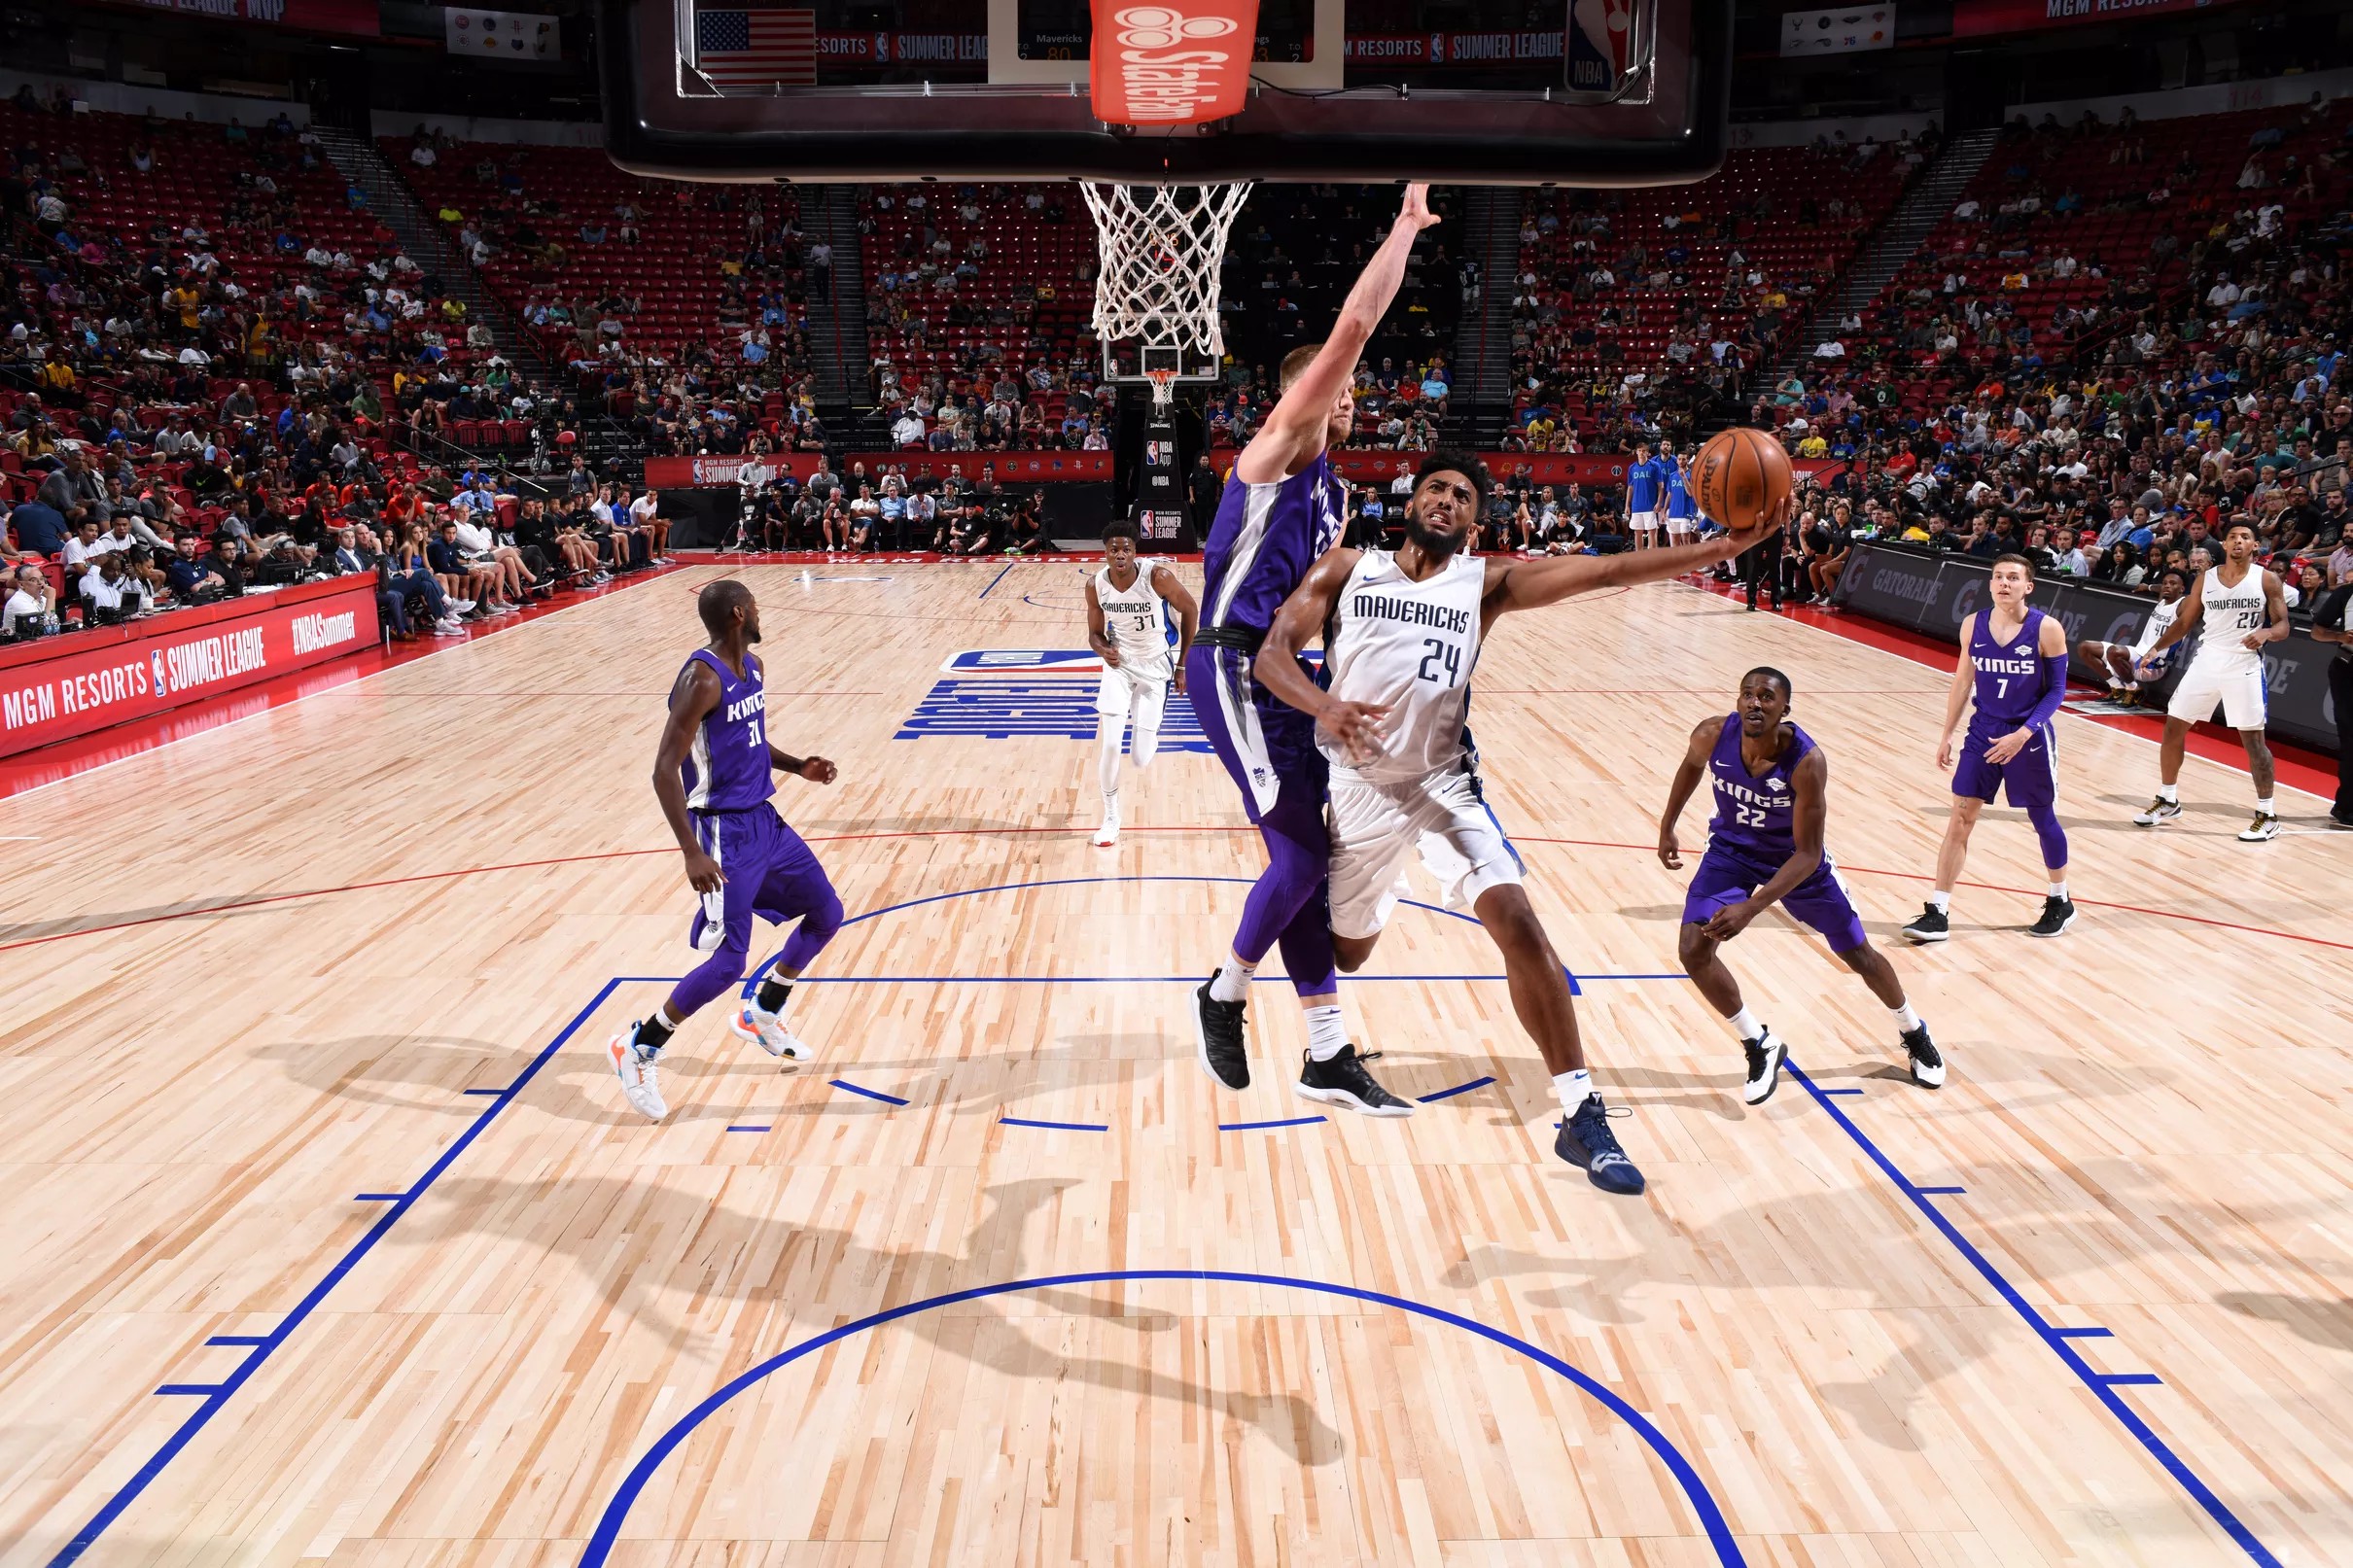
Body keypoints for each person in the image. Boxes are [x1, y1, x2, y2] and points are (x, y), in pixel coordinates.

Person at [1252, 450, 1775, 1190]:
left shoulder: (1485, 584)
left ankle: (1578, 1110)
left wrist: (1721, 549)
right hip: (1361, 787)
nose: (1446, 501)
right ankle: (1378, 914)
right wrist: (1324, 705)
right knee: (1347, 952)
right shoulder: (1347, 569)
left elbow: (1606, 573)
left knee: (1522, 924)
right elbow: (1272, 655)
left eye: (1463, 497)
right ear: (1411, 499)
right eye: (1436, 488)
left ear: (1475, 521)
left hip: (1441, 787)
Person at [1185, 184, 1437, 1109]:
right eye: (1333, 385)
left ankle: (1327, 1049)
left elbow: (1315, 614)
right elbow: (1355, 325)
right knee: (1294, 864)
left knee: (1308, 864)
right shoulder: (1274, 450)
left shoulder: (1333, 496)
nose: (1345, 396)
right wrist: (1404, 228)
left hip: (1286, 673)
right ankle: (1223, 991)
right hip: (1229, 661)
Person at [609, 580, 846, 1122]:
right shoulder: (700, 679)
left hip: (766, 820)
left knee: (827, 913)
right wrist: (691, 851)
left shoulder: (755, 667)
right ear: (739, 613)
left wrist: (795, 767)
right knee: (728, 962)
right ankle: (639, 1045)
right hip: (721, 832)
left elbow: (750, 739)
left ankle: (764, 1010)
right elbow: (664, 769)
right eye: (757, 605)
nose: (762, 610)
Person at [1658, 668, 1943, 1104]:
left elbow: (1808, 853)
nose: (1755, 703)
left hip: (1795, 864)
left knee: (1857, 953)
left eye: (1766, 697)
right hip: (1730, 853)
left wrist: (1752, 907)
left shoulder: (1807, 762)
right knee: (1693, 949)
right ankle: (1759, 1043)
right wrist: (1668, 825)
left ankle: (1913, 1029)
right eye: (1747, 694)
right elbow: (1690, 768)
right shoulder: (1711, 735)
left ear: (1784, 709)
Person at [1904, 553, 2076, 943]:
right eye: (1997, 576)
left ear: (2027, 586)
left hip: (2026, 735)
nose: (2003, 583)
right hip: (1983, 731)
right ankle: (1938, 909)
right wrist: (1947, 732)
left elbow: (2057, 691)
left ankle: (2059, 899)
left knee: (2041, 817)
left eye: (2013, 578)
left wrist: (2024, 733)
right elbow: (1964, 680)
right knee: (1960, 817)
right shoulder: (1972, 624)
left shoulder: (2047, 629)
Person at [2129, 520, 2291, 841]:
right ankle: (2168, 799)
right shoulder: (2207, 579)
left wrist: (2267, 632)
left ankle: (2268, 814)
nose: (2238, 542)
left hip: (2243, 664)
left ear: (2255, 546)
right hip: (2208, 658)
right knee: (2174, 726)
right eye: (2232, 537)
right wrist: (2155, 648)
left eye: (2245, 537)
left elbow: (2284, 625)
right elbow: (2185, 621)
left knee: (2253, 742)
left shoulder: (2267, 579)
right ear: (2226, 545)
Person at [1086, 518, 1198, 847]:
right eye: (1114, 549)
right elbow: (1093, 633)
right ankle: (1110, 817)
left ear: (1135, 552)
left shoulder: (1157, 577)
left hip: (1156, 665)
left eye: (1127, 549)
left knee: (1140, 757)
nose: (1120, 554)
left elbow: (1190, 610)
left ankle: (1148, 725)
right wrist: (1103, 649)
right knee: (1109, 746)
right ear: (1105, 553)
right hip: (1119, 667)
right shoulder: (1096, 585)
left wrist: (1183, 666)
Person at [2077, 568, 2188, 709]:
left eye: (2173, 584)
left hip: (2156, 663)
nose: (2167, 586)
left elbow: (2195, 598)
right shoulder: (2162, 600)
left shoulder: (2183, 605)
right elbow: (2161, 588)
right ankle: (2117, 688)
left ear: (2182, 589)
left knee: (2114, 651)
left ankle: (2133, 690)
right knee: (2084, 648)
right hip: (2139, 653)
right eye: (2165, 583)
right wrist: (2148, 586)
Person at [2310, 574, 2353, 829]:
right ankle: (2346, 808)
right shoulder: (2345, 593)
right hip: (2348, 668)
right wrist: (2340, 637)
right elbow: (2317, 632)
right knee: (2351, 740)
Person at [1625, 440, 1664, 550]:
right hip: (1636, 506)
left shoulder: (1654, 466)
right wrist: (1627, 505)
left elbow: (1661, 486)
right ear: (1636, 452)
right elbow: (1630, 488)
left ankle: (1652, 558)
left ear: (1648, 453)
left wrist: (1659, 502)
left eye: (1644, 451)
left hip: (1650, 506)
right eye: (1639, 451)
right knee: (1638, 532)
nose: (1641, 453)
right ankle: (1639, 556)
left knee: (1652, 532)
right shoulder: (1632, 468)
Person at [1662, 443, 1698, 545]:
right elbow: (1669, 495)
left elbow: (1690, 493)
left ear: (1687, 460)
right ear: (1676, 460)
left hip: (1685, 513)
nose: (1681, 461)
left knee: (1686, 541)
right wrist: (1664, 512)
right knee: (1674, 542)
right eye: (1679, 459)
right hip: (1673, 513)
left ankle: (1688, 561)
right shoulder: (1672, 476)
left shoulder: (1692, 475)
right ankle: (1677, 561)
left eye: (1684, 459)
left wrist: (1684, 478)